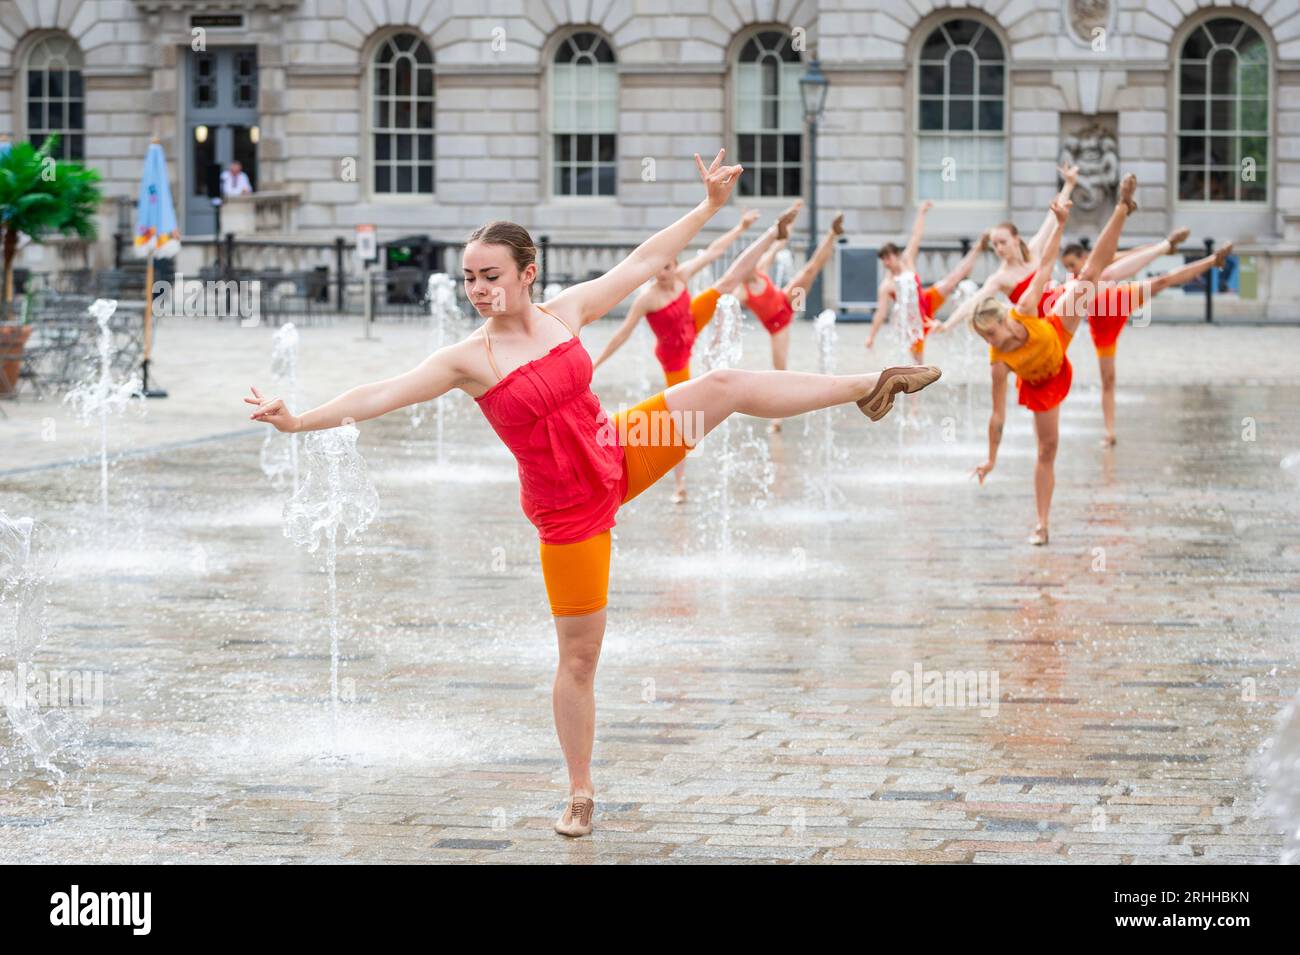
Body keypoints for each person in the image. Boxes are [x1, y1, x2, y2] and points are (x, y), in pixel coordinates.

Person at [244, 150, 943, 837]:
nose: (478, 289)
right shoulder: (466, 360)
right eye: (468, 279)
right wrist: (299, 420)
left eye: (491, 275)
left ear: (526, 274)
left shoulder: (564, 312)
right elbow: (382, 392)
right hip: (567, 514)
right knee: (579, 659)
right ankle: (580, 790)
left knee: (722, 386)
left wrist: (707, 208)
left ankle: (867, 386)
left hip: (620, 451)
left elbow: (641, 261)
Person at [968, 175, 1137, 545]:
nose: (991, 342)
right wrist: (991, 458)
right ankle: (1042, 524)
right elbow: (997, 417)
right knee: (1047, 450)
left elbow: (1044, 266)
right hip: (1043, 378)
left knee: (1089, 276)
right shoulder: (999, 362)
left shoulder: (1024, 309)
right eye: (985, 339)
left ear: (1002, 319)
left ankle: (1123, 208)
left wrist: (1060, 224)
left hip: (1054, 330)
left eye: (991, 334)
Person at [592, 203, 801, 502]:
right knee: (682, 418)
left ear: (675, 266)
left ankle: (771, 234)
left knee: (727, 281)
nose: (663, 274)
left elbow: (714, 251)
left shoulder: (681, 276)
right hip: (675, 357)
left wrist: (741, 229)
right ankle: (680, 484)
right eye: (658, 269)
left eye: (667, 267)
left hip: (691, 320)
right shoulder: (647, 299)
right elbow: (622, 333)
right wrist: (596, 363)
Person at [1057, 229, 1229, 446]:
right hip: (1102, 328)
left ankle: (1212, 260)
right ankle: (1109, 432)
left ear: (1084, 258)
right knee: (1108, 380)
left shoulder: (1098, 264)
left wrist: (1162, 248)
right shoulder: (1075, 280)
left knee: (1161, 281)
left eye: (1072, 264)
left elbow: (1132, 255)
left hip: (1117, 301)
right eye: (1067, 267)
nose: (1070, 270)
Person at [736, 209, 845, 432]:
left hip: (788, 301)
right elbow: (725, 301)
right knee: (780, 371)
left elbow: (779, 244)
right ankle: (778, 418)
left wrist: (788, 223)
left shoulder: (761, 268)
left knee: (809, 270)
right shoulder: (743, 292)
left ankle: (833, 234)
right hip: (778, 325)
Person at [863, 200, 987, 362]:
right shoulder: (887, 284)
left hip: (926, 299)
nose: (886, 262)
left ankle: (978, 247)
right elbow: (880, 312)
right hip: (913, 320)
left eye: (888, 257)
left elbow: (916, 236)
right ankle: (918, 383)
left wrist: (921, 213)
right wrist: (871, 336)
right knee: (918, 361)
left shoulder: (907, 260)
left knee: (952, 280)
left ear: (896, 255)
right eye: (883, 259)